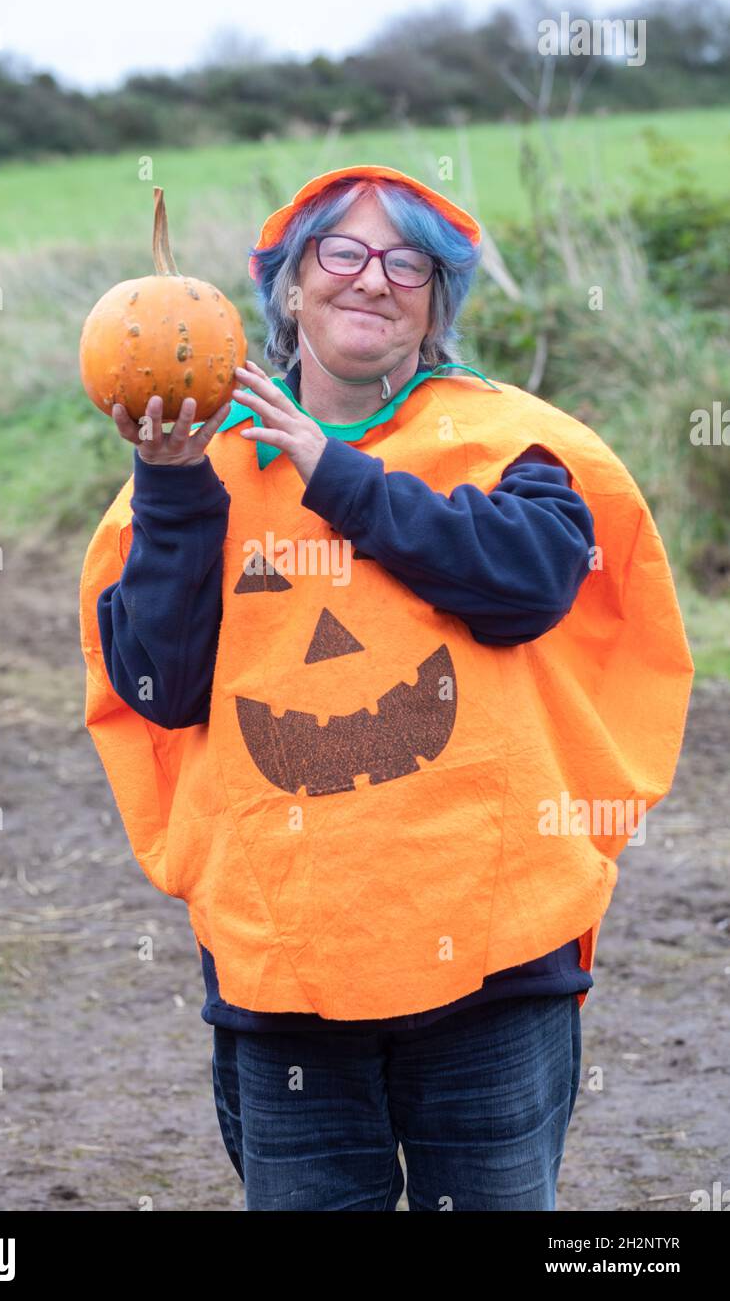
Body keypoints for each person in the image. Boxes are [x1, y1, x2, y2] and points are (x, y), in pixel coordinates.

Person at [78, 165, 694, 1211]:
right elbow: (161, 685)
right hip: (283, 971)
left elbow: (525, 584)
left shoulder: (511, 444)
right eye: (342, 253)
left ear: (435, 297)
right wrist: (173, 483)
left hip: (491, 965)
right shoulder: (200, 473)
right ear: (285, 288)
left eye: (405, 260)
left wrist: (333, 474)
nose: (373, 278)